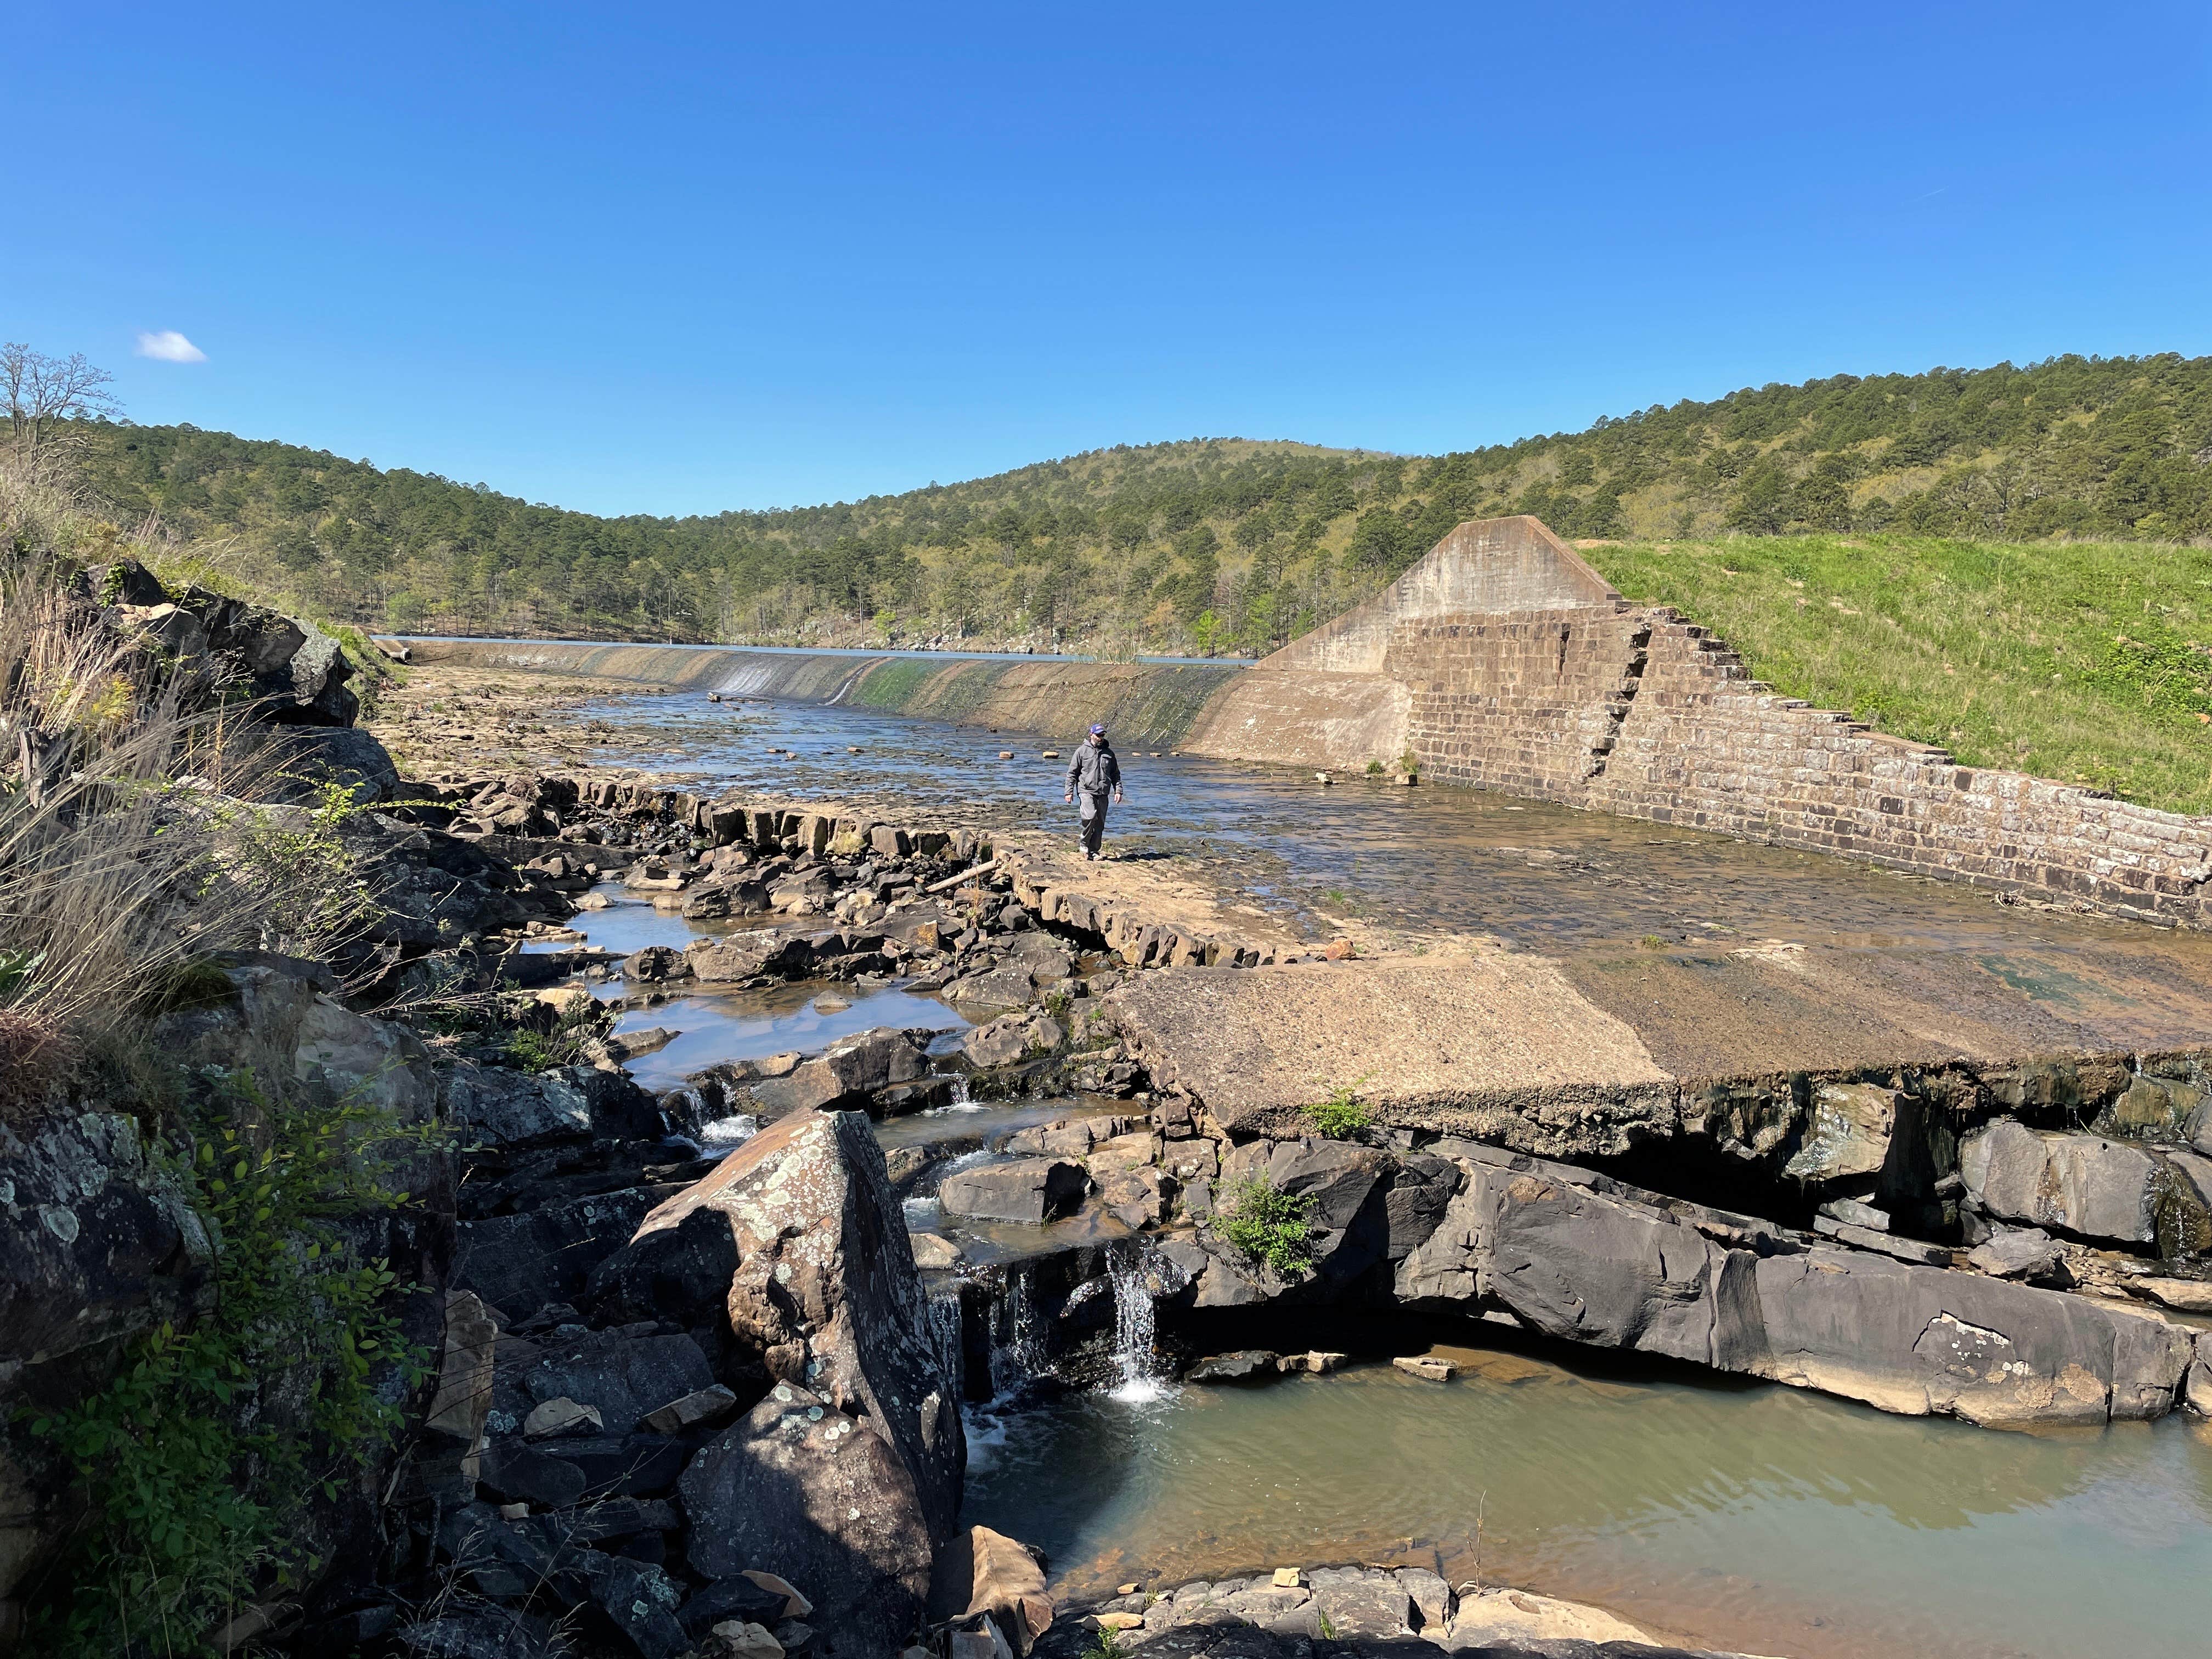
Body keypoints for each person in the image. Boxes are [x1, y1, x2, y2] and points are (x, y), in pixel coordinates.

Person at [1064, 723, 1125, 860]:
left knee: (1100, 824)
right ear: (1091, 735)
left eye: (1102, 735)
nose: (1100, 738)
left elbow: (1116, 774)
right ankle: (1084, 845)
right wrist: (1069, 792)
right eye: (1098, 735)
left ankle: (1094, 851)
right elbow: (1072, 773)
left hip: (1103, 793)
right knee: (1090, 817)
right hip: (1086, 791)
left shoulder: (1109, 754)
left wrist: (1118, 791)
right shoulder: (1081, 751)